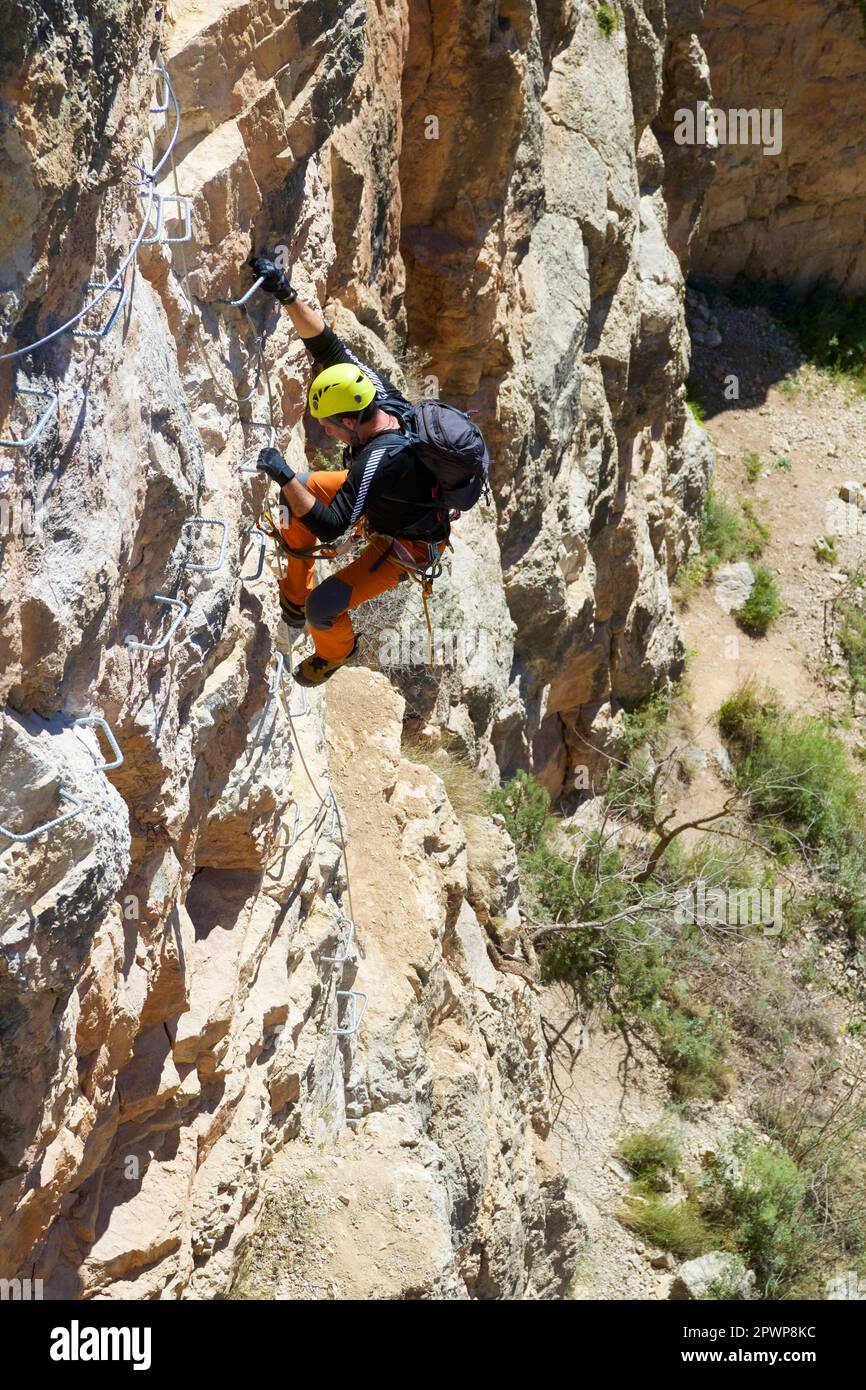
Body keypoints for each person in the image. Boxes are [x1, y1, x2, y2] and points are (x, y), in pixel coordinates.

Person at [247, 250, 449, 687]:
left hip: (406, 542)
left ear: (350, 421)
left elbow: (332, 527)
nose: (328, 434)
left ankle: (335, 652)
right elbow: (326, 345)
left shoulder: (378, 457)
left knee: (326, 607)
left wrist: (281, 472)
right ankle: (293, 593)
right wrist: (284, 291)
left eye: (330, 429)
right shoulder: (372, 391)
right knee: (301, 489)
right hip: (390, 498)